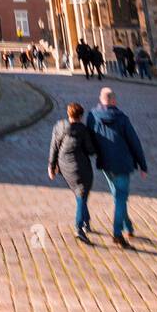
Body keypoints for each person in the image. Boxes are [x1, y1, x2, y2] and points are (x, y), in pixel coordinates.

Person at [86, 88, 147, 248]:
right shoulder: (122, 118)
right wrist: (142, 164)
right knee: (120, 198)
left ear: (101, 99)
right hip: (122, 163)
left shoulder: (92, 116)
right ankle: (117, 233)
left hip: (106, 164)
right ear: (114, 100)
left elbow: (90, 139)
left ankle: (128, 227)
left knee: (118, 196)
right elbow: (134, 142)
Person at [48, 101, 98, 243]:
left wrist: (51, 166)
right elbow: (90, 150)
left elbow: (54, 146)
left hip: (64, 166)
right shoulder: (82, 130)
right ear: (81, 116)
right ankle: (78, 227)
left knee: (79, 193)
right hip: (79, 166)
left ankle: (86, 221)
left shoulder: (59, 126)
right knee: (82, 193)